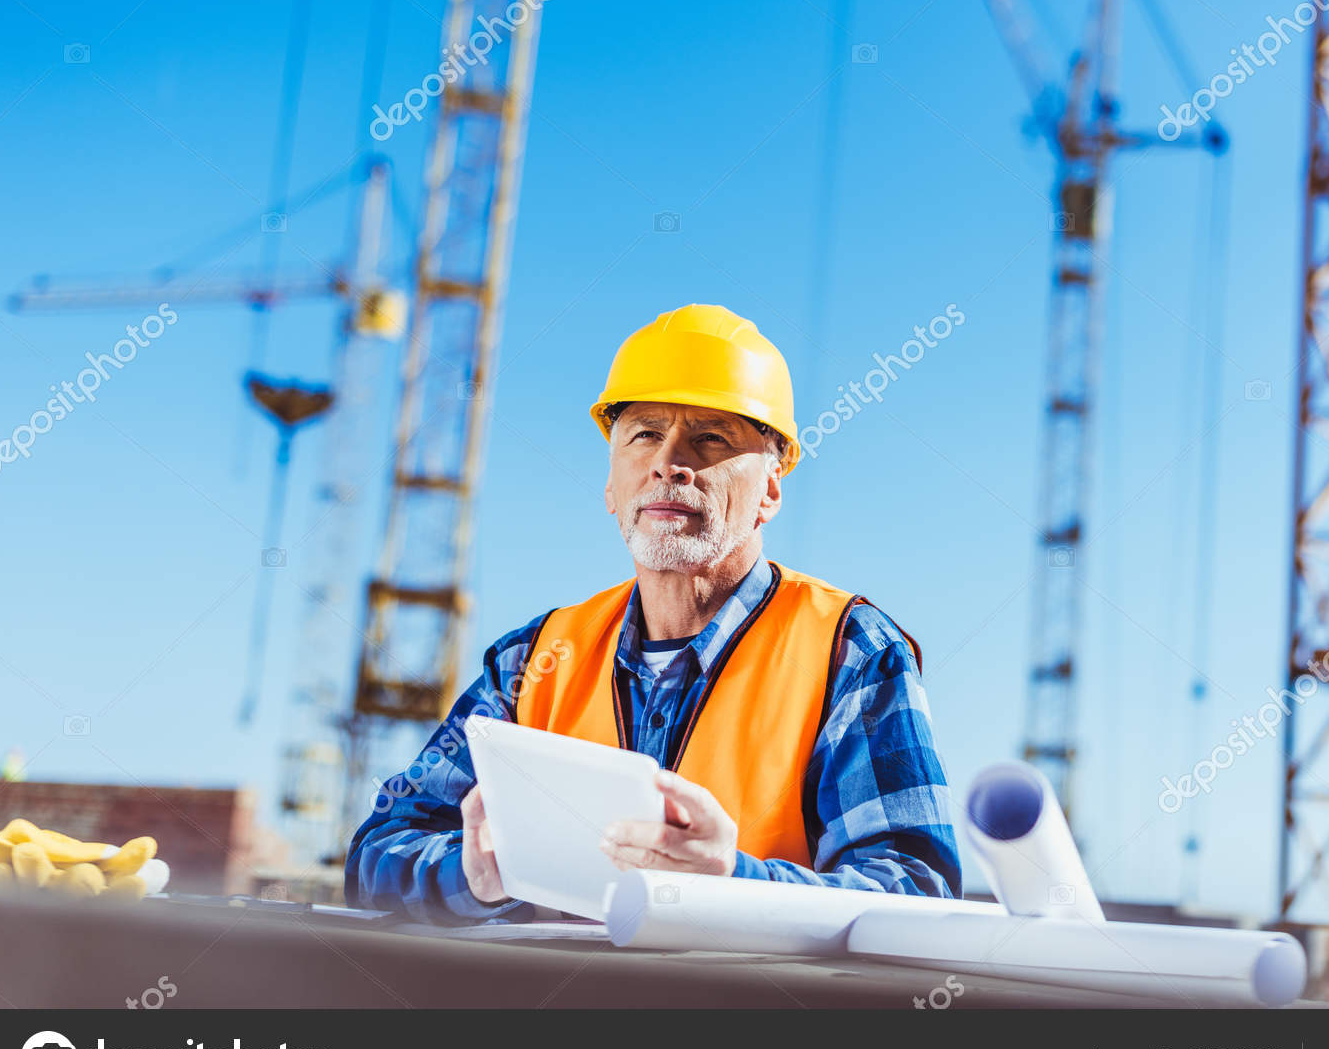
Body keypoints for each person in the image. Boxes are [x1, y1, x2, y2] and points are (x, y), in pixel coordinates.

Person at [346, 304, 960, 924]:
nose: (670, 462)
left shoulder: (848, 651)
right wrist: (471, 875)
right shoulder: (531, 661)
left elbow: (913, 896)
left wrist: (733, 882)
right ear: (611, 486)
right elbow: (377, 855)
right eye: (644, 435)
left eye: (712, 437)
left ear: (770, 488)